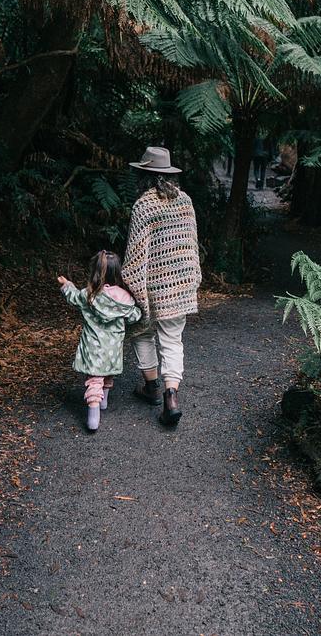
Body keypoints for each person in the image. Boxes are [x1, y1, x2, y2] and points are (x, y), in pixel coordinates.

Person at [123, 146, 202, 426]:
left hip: (151, 286)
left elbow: (135, 254)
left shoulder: (144, 205)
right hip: (180, 284)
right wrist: (192, 279)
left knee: (142, 332)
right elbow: (190, 244)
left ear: (144, 176)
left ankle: (152, 386)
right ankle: (171, 396)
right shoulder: (185, 201)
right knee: (172, 339)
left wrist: (131, 285)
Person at [58, 251, 142, 433]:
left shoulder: (89, 295)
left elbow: (73, 297)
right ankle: (103, 402)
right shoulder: (125, 297)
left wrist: (67, 285)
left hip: (93, 346)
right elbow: (134, 316)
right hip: (113, 347)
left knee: (94, 379)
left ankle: (93, 416)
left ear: (95, 272)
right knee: (108, 374)